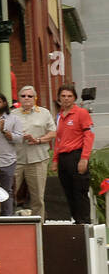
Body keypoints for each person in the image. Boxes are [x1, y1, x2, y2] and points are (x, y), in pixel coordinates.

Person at [9, 85, 55, 217]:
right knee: (9, 194)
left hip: (37, 159)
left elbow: (53, 132)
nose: (26, 98)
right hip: (17, 159)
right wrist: (16, 136)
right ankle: (7, 223)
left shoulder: (44, 113)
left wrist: (39, 140)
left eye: (30, 96)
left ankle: (39, 227)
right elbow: (5, 134)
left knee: (37, 197)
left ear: (35, 98)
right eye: (23, 96)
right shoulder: (12, 114)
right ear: (19, 98)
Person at [53, 84, 94, 225]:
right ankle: (76, 221)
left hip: (76, 155)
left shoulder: (81, 113)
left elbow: (89, 136)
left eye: (69, 96)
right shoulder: (59, 115)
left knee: (80, 191)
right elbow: (58, 139)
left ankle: (85, 222)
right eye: (63, 96)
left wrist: (84, 158)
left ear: (74, 98)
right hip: (63, 158)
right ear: (59, 98)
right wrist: (55, 159)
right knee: (68, 192)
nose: (66, 99)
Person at [0, 92, 18, 216]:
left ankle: (8, 218)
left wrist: (3, 130)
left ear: (4, 103)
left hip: (7, 160)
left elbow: (19, 138)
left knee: (7, 190)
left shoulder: (13, 118)